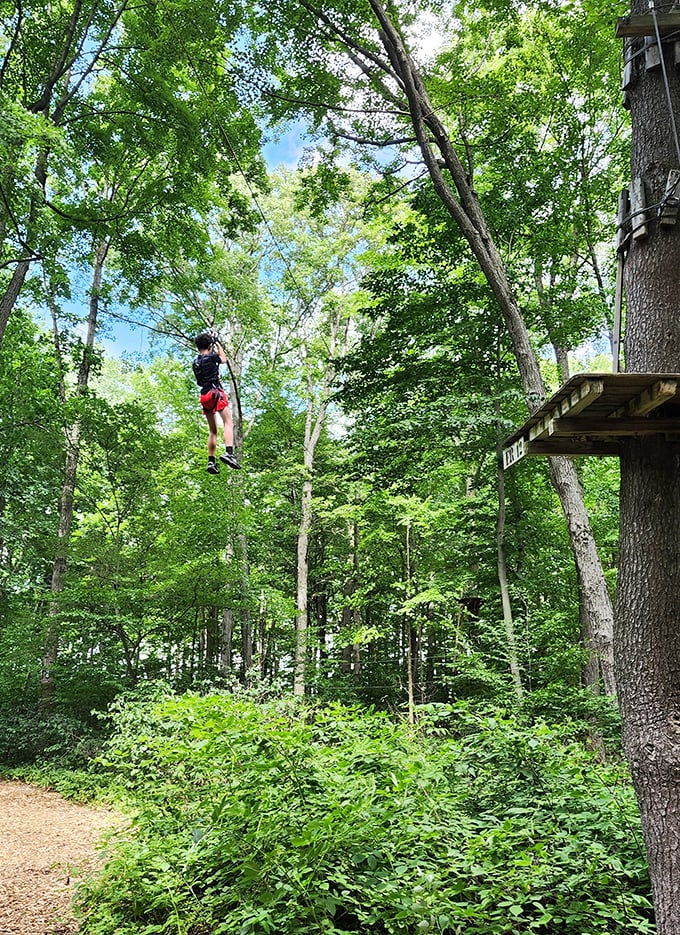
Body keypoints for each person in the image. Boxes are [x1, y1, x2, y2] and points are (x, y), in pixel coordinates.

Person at [192, 331, 241, 473]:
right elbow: (223, 359)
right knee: (228, 423)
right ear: (209, 345)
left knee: (213, 431)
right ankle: (229, 453)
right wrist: (217, 343)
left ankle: (211, 461)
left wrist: (211, 342)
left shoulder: (195, 363)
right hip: (216, 393)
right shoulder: (212, 357)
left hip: (204, 395)